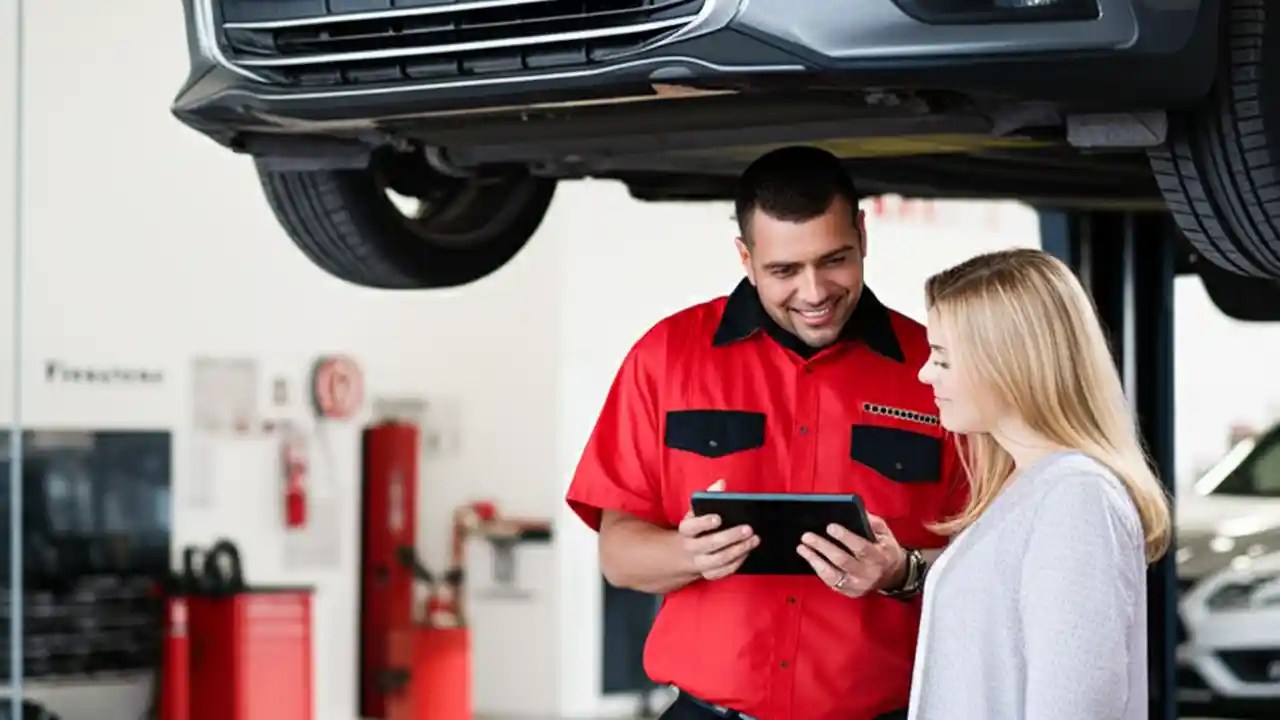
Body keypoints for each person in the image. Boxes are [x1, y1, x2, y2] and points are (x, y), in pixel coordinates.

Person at [564, 145, 968, 720]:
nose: (813, 292)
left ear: (862, 233)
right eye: (784, 270)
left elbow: (991, 561)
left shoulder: (934, 372)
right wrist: (689, 553)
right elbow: (620, 556)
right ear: (745, 257)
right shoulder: (667, 358)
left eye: (835, 260)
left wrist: (902, 570)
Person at [909, 248, 1174, 720]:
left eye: (943, 359)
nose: (924, 373)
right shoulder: (1031, 487)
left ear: (1008, 363)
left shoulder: (1076, 499)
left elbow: (1075, 706)